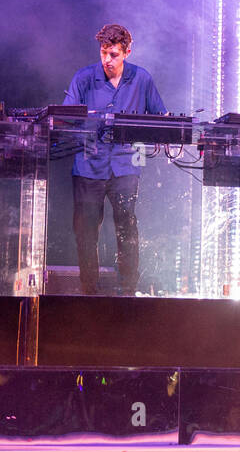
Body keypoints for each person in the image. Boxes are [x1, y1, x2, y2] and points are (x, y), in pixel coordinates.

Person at [63, 23, 165, 295]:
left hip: (125, 165)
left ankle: (128, 288)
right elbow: (66, 118)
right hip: (88, 165)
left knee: (126, 225)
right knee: (85, 230)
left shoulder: (142, 79)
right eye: (103, 53)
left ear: (127, 52)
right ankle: (89, 289)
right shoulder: (83, 78)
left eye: (114, 55)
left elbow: (161, 117)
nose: (107, 60)